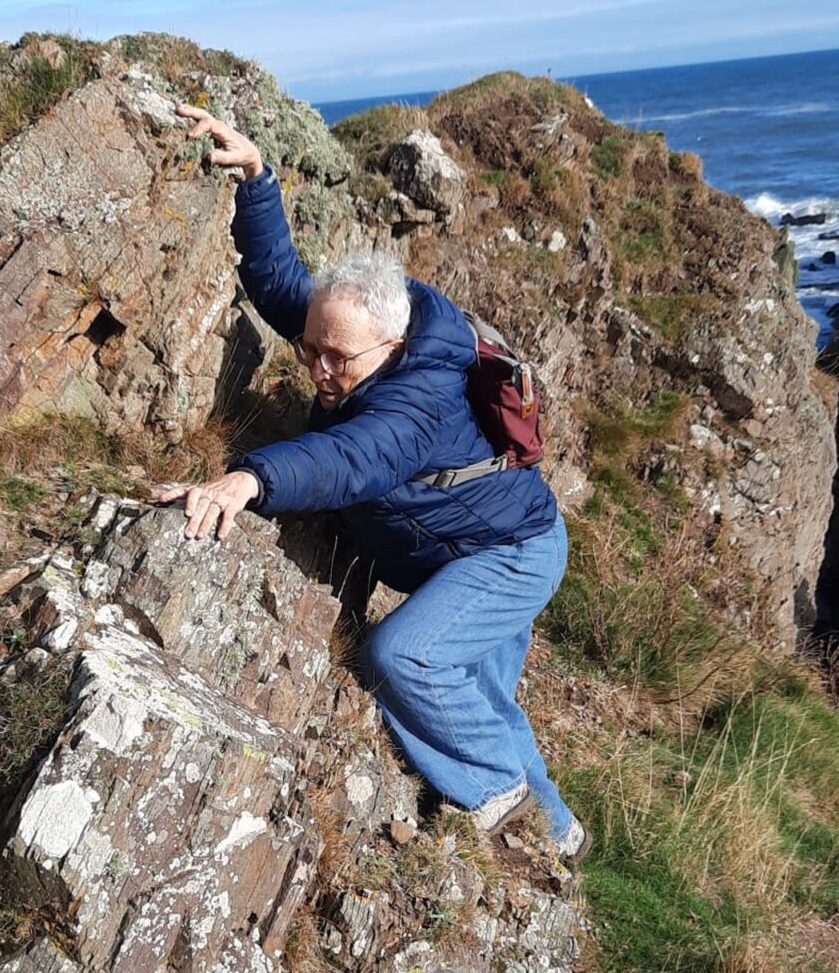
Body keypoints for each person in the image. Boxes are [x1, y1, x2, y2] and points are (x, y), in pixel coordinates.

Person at [159, 106, 587, 860]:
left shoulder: (416, 403)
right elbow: (282, 285)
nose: (319, 370)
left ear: (390, 348)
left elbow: (348, 460)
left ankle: (499, 800)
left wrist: (246, 481)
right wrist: (259, 181)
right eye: (313, 350)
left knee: (407, 657)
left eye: (338, 361)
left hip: (509, 553)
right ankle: (561, 836)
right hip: (460, 548)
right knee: (483, 699)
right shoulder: (353, 324)